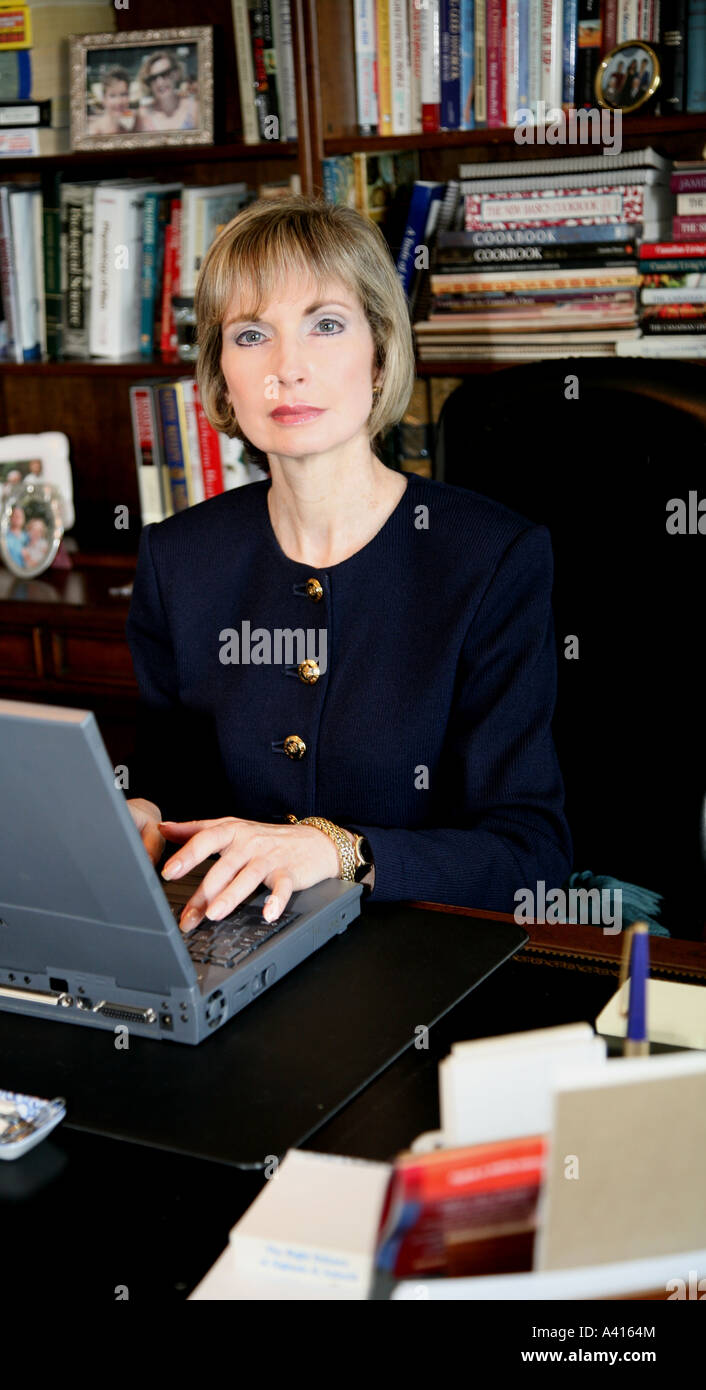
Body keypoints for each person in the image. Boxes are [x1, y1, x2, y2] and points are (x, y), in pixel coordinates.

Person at [125, 195, 572, 933]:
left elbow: (533, 858)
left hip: (424, 953)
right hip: (233, 946)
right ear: (222, 377)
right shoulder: (178, 558)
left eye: (325, 325)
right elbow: (173, 786)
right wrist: (142, 812)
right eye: (251, 334)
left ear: (380, 355)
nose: (287, 368)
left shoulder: (491, 558)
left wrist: (341, 852)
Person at [132, 51, 197, 132]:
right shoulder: (142, 116)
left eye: (165, 74)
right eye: (153, 78)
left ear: (176, 74)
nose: (160, 82)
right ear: (149, 84)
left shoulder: (194, 108)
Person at [87, 66, 133, 135]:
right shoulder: (94, 132)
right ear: (104, 99)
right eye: (113, 96)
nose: (119, 101)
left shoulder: (124, 130)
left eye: (123, 94)